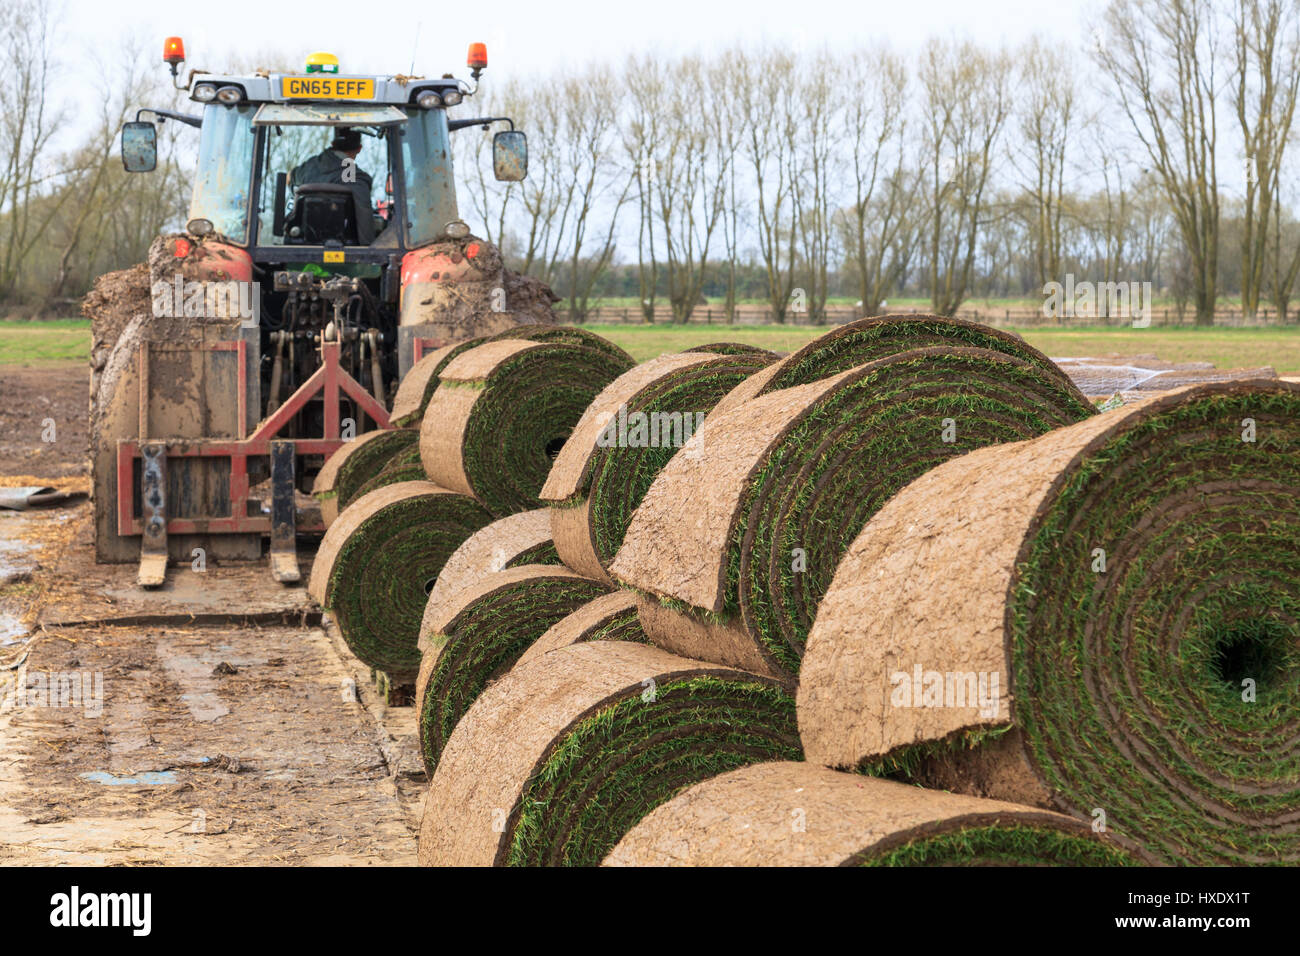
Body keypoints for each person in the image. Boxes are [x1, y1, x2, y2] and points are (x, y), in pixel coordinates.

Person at [289, 127, 374, 219]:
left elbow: (288, 177)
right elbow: (365, 223)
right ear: (359, 148)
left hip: (303, 231)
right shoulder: (359, 180)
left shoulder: (308, 167)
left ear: (332, 144)